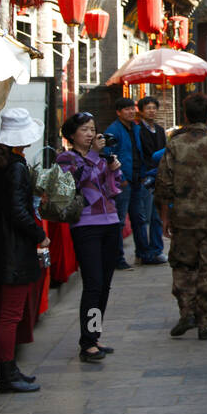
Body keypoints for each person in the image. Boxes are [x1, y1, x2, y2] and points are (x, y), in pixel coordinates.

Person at [154, 92, 207, 341]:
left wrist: (165, 218)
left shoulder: (174, 145)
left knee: (183, 267)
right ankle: (205, 323)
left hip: (182, 218)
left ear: (186, 116)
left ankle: (186, 312)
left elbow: (163, 184)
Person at [0, 108, 48, 392]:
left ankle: (10, 371)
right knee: (10, 315)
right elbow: (19, 212)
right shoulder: (16, 167)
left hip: (2, 247)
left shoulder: (1, 164)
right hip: (14, 251)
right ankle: (7, 375)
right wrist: (39, 234)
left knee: (8, 314)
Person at [57, 112, 124, 364]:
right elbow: (77, 182)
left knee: (104, 284)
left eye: (92, 129)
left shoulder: (100, 157)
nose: (90, 134)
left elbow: (111, 189)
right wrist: (96, 156)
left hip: (110, 222)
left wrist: (112, 170)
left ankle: (94, 335)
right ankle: (87, 342)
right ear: (72, 134)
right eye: (84, 129)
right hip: (86, 226)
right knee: (93, 283)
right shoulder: (66, 158)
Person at [108, 99, 163, 269]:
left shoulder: (136, 129)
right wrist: (120, 177)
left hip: (137, 179)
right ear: (119, 112)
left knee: (139, 218)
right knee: (120, 220)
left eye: (132, 109)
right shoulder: (114, 130)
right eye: (127, 109)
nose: (131, 112)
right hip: (123, 181)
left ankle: (144, 253)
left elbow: (139, 154)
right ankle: (117, 257)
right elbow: (109, 156)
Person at [137, 96, 167, 260]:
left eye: (154, 108)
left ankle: (156, 249)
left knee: (157, 215)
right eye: (148, 108)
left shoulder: (160, 130)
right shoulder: (138, 130)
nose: (151, 111)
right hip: (145, 177)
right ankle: (144, 251)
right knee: (144, 216)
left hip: (159, 176)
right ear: (141, 111)